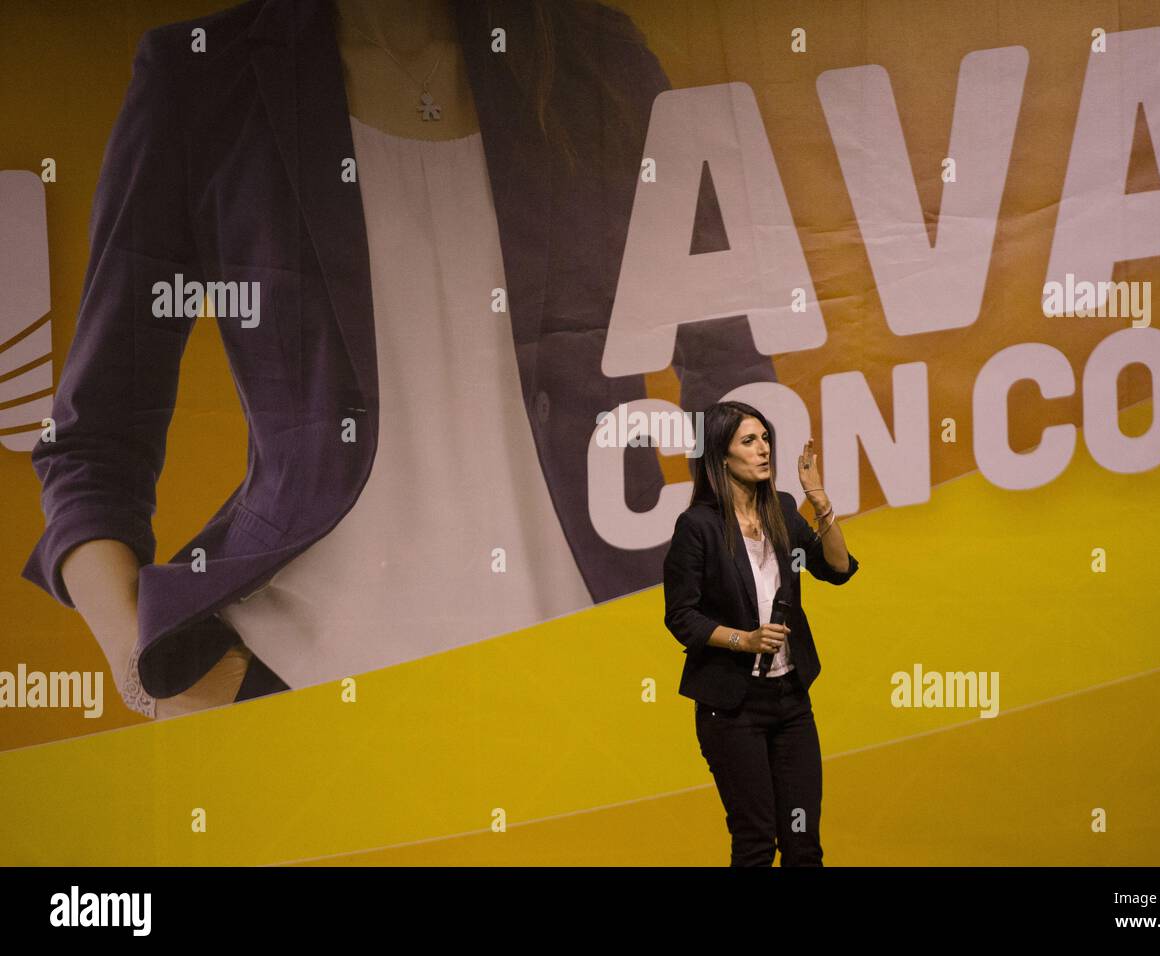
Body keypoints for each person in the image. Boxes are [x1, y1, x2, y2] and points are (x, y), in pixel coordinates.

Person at [21, 0, 776, 719]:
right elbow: (94, 442)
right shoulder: (200, 78)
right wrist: (147, 675)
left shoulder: (596, 56)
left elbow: (728, 372)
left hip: (598, 661)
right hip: (300, 695)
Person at [662, 400, 859, 866]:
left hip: (790, 701)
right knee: (755, 844)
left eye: (765, 438)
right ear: (720, 456)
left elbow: (837, 568)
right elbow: (681, 617)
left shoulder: (782, 510)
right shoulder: (698, 528)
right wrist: (743, 639)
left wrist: (820, 500)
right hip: (732, 708)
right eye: (749, 441)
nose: (763, 449)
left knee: (803, 845)